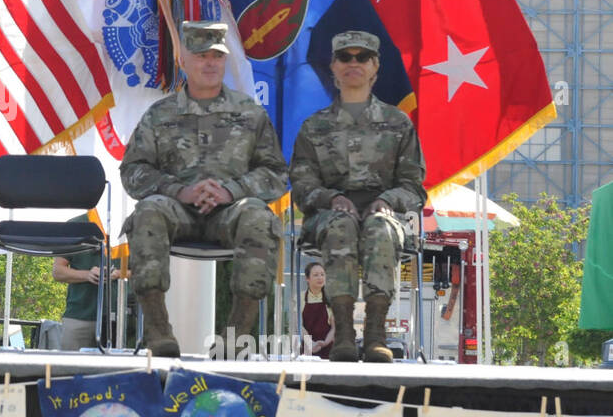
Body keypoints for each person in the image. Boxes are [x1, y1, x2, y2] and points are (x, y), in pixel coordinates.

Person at [120, 21, 289, 358]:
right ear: (183, 59)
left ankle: (235, 337)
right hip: (177, 210)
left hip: (231, 212)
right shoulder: (160, 114)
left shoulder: (249, 113)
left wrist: (232, 190)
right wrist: (179, 191)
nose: (210, 63)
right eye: (201, 55)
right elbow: (133, 170)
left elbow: (275, 173)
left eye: (217, 55)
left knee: (259, 217)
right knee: (148, 211)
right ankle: (158, 332)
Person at [290, 31, 427, 363]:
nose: (354, 63)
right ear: (333, 68)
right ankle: (345, 336)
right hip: (329, 215)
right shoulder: (314, 127)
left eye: (362, 57)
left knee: (380, 228)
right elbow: (301, 183)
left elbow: (414, 186)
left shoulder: (398, 124)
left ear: (375, 68)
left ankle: (376, 335)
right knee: (341, 225)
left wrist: (388, 201)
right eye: (345, 57)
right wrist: (332, 198)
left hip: (384, 214)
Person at [52, 213, 123, 351]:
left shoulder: (129, 224)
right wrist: (88, 275)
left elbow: (145, 270)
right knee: (70, 368)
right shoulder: (74, 225)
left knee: (117, 370)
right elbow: (58, 272)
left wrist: (118, 274)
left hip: (120, 320)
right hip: (79, 316)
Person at [300, 261, 336, 358]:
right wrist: (310, 343)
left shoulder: (331, 298)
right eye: (315, 275)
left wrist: (324, 343)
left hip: (328, 349)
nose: (320, 278)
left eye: (322, 274)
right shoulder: (300, 297)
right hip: (306, 349)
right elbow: (297, 325)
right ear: (307, 279)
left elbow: (334, 327)